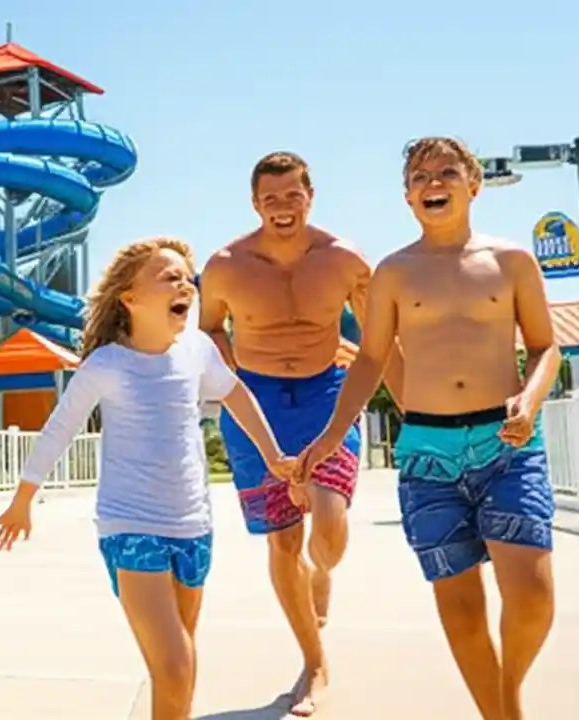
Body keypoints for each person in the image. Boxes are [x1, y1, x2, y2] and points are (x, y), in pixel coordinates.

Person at [297, 136, 561, 720]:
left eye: (446, 172)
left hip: (508, 443)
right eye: (419, 176)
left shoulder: (511, 261)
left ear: (474, 185)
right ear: (406, 195)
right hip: (427, 455)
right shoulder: (393, 271)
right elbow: (369, 360)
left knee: (534, 597)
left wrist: (531, 399)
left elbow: (546, 347)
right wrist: (330, 436)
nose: (432, 183)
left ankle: (508, 695)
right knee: (462, 609)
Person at [0, 236, 298, 720]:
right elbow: (60, 428)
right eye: (168, 277)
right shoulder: (107, 364)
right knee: (176, 665)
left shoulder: (197, 350)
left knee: (180, 663)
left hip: (194, 526)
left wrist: (274, 456)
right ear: (129, 299)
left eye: (185, 278)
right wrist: (23, 499)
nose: (184, 285)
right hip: (130, 524)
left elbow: (236, 395)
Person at [197, 151, 403, 715]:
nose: (281, 208)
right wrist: (233, 379)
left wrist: (408, 405)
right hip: (256, 403)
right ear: (254, 202)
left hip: (325, 393)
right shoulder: (224, 265)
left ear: (310, 196)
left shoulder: (345, 259)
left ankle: (323, 574)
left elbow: (384, 339)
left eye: (292, 196)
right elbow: (210, 329)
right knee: (283, 540)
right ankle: (314, 665)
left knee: (329, 532)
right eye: (270, 198)